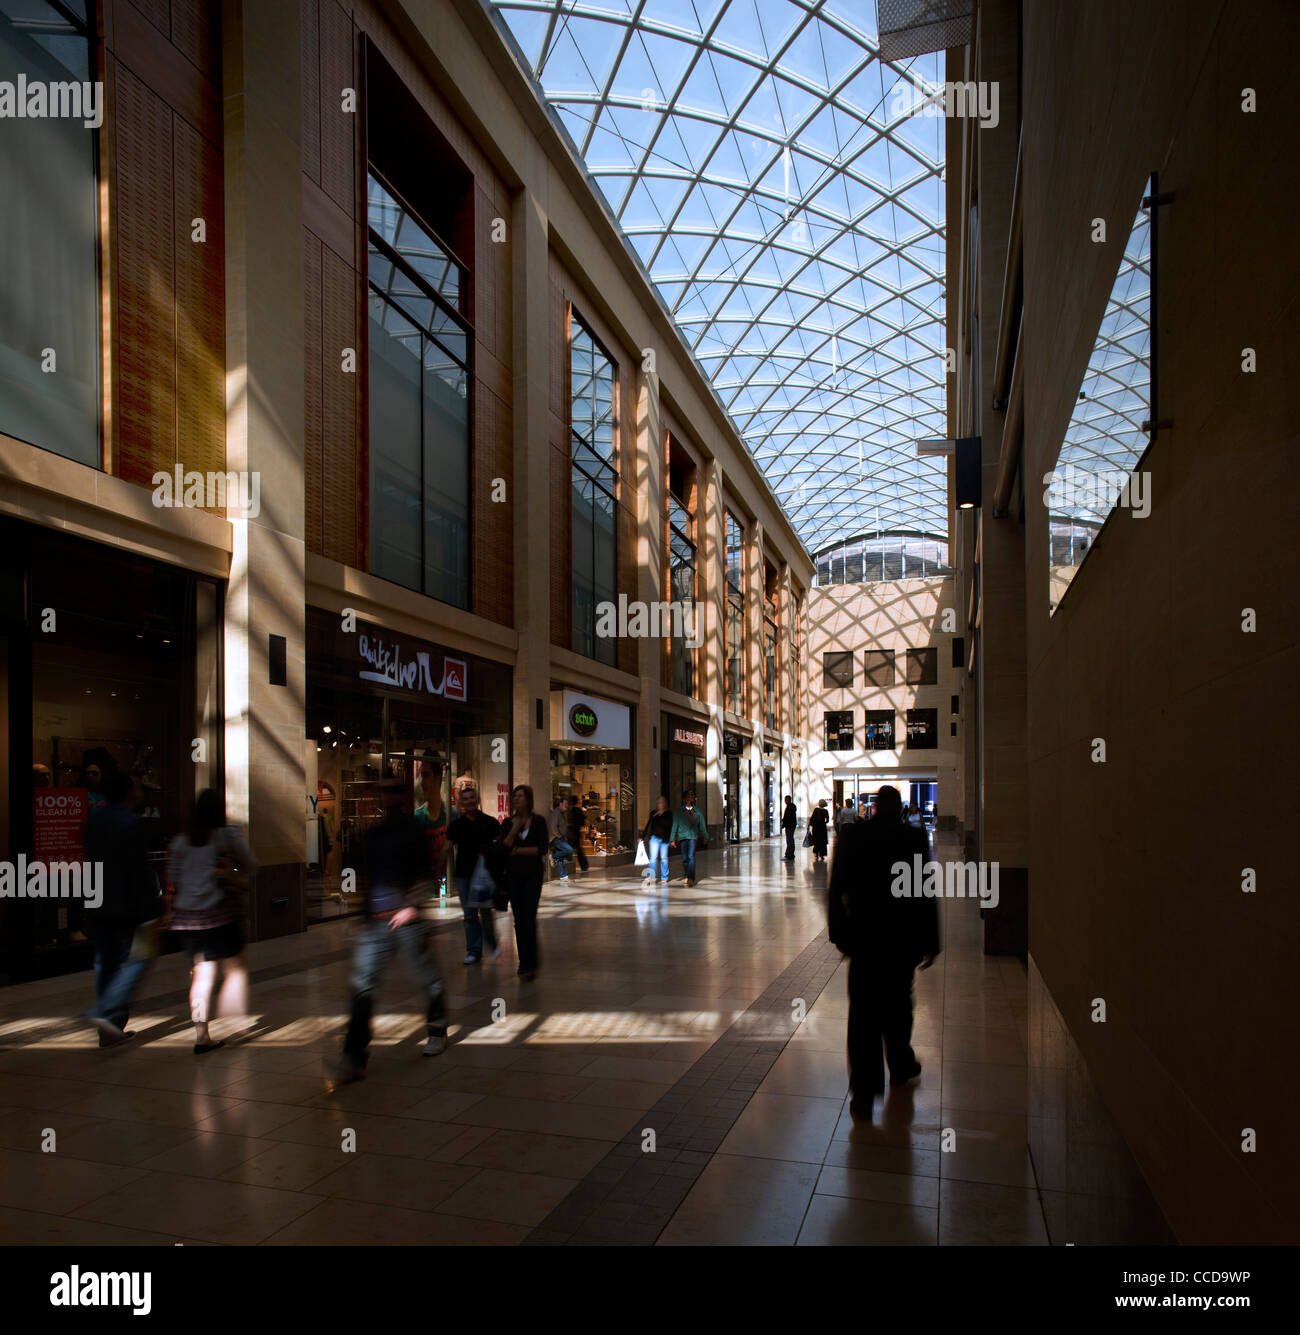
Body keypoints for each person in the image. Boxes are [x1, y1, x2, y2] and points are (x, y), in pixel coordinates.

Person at [827, 784, 939, 1117]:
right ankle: (901, 1066)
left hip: (864, 941)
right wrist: (930, 942)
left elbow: (836, 890)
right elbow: (925, 894)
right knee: (899, 1006)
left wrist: (840, 935)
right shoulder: (914, 838)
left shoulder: (853, 836)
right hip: (901, 942)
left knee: (862, 1016)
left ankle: (864, 1094)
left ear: (874, 807)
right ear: (900, 807)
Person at [333, 782, 447, 1086]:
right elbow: (367, 879)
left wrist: (412, 906)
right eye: (386, 792)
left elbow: (428, 873)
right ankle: (354, 1055)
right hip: (377, 921)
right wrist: (362, 917)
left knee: (426, 976)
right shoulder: (374, 834)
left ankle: (436, 1028)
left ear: (405, 797)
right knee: (363, 985)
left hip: (408, 919)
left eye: (395, 792)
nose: (390, 798)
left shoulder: (414, 832)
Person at [166, 789, 256, 1055]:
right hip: (219, 915)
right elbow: (251, 864)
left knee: (201, 977)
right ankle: (235, 1019)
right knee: (235, 969)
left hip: (187, 918)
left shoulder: (180, 842)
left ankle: (202, 1035)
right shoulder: (226, 836)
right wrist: (230, 871)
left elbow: (173, 878)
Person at [83, 773, 161, 1047]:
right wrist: (153, 909)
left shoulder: (94, 820)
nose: (140, 793)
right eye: (138, 787)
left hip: (99, 903)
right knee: (136, 960)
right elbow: (138, 871)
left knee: (105, 964)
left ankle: (109, 1030)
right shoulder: (132, 823)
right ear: (129, 791)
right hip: (126, 907)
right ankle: (107, 1012)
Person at [446, 786, 501, 965]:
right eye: (466, 799)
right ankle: (474, 951)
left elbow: (500, 845)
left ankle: (492, 942)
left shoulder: (490, 822)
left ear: (477, 800)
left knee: (485, 912)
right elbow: (446, 847)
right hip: (463, 875)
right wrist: (438, 869)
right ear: (461, 803)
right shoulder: (456, 825)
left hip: (484, 875)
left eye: (472, 798)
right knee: (469, 915)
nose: (469, 801)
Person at [498, 784, 548, 980]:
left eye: (521, 796)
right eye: (515, 796)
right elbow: (504, 847)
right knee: (519, 920)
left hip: (533, 875)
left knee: (529, 917)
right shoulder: (508, 823)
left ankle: (531, 961)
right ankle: (524, 962)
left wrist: (518, 850)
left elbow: (542, 848)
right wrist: (516, 828)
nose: (517, 799)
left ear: (528, 799)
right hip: (514, 876)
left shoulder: (539, 821)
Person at [414, 755, 449, 896]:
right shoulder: (418, 817)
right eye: (421, 776)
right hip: (425, 888)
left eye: (426, 776)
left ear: (438, 778)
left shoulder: (451, 816)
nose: (422, 783)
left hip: (449, 886)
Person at [670, 790, 708, 888]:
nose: (690, 798)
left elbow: (702, 825)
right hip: (682, 837)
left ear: (693, 798)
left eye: (692, 796)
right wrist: (672, 839)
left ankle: (691, 878)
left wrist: (705, 836)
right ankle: (686, 875)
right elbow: (675, 825)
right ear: (684, 798)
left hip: (692, 837)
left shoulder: (697, 811)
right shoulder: (679, 811)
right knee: (685, 858)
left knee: (691, 857)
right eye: (688, 796)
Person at [642, 796, 673, 885]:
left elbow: (669, 825)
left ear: (665, 804)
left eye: (662, 802)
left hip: (664, 839)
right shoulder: (653, 813)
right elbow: (648, 824)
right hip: (654, 838)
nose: (660, 804)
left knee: (664, 859)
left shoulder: (668, 813)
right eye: (659, 802)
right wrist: (642, 835)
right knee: (653, 859)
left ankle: (664, 877)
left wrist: (660, 815)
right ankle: (650, 877)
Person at [548, 795, 575, 880]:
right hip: (555, 838)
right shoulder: (556, 813)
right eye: (565, 803)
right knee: (569, 850)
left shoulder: (562, 813)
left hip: (560, 837)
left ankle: (563, 876)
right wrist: (559, 836)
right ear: (560, 804)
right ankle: (553, 856)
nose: (567, 805)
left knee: (560, 859)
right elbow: (553, 827)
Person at [564, 796, 589, 874]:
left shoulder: (569, 811)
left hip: (571, 832)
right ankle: (584, 865)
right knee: (578, 849)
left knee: (571, 848)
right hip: (576, 831)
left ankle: (568, 864)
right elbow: (583, 821)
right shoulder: (578, 810)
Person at [808, 799, 829, 863]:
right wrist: (823, 823)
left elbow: (812, 818)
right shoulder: (825, 811)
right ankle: (822, 854)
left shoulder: (816, 810)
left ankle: (816, 853)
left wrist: (810, 825)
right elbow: (827, 820)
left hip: (816, 828)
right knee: (822, 841)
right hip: (822, 828)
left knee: (816, 840)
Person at [780, 795, 797, 860]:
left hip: (789, 825)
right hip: (791, 825)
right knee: (790, 840)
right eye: (784, 799)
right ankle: (790, 854)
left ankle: (789, 855)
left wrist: (783, 823)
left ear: (789, 800)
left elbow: (788, 817)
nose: (785, 801)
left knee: (789, 840)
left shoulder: (789, 807)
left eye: (786, 799)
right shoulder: (791, 806)